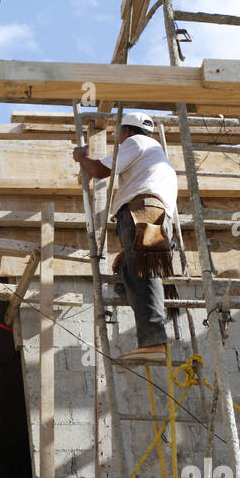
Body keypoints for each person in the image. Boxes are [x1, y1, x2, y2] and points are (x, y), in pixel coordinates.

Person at [72, 111, 178, 362]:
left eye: (119, 135)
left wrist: (81, 157)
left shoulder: (136, 143)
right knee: (132, 271)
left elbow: (99, 170)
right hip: (154, 214)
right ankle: (152, 340)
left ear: (127, 131)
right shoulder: (156, 154)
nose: (119, 140)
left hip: (143, 211)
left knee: (143, 273)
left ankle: (154, 343)